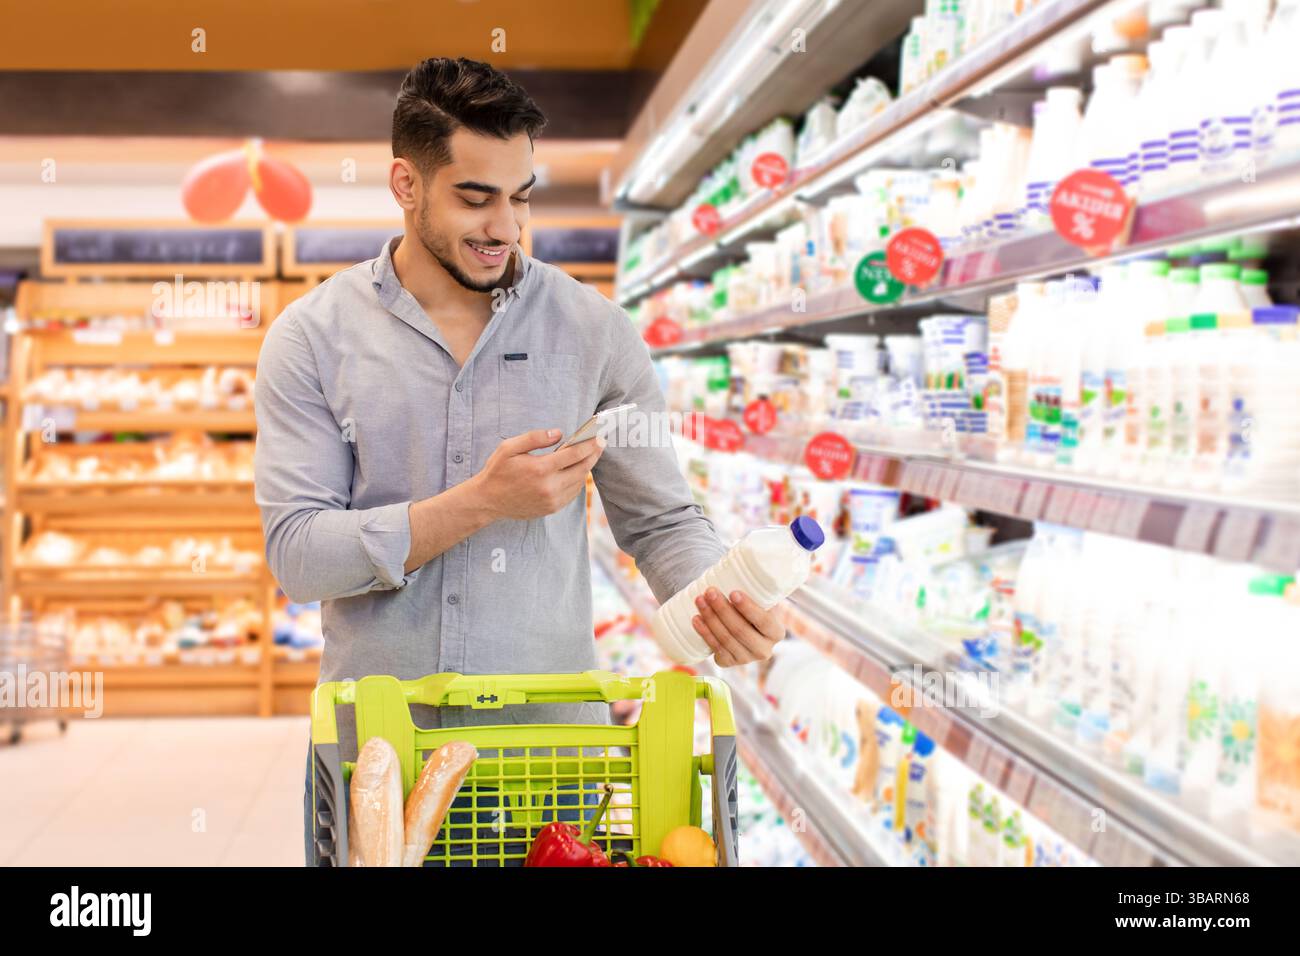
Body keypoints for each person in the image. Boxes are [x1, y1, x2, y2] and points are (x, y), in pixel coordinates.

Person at [252, 57, 787, 866]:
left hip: (552, 769)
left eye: (521, 196)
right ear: (405, 183)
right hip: (381, 765)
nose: (505, 225)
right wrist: (481, 502)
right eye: (476, 197)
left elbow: (664, 519)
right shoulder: (311, 338)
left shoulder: (595, 333)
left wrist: (724, 601)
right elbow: (298, 555)